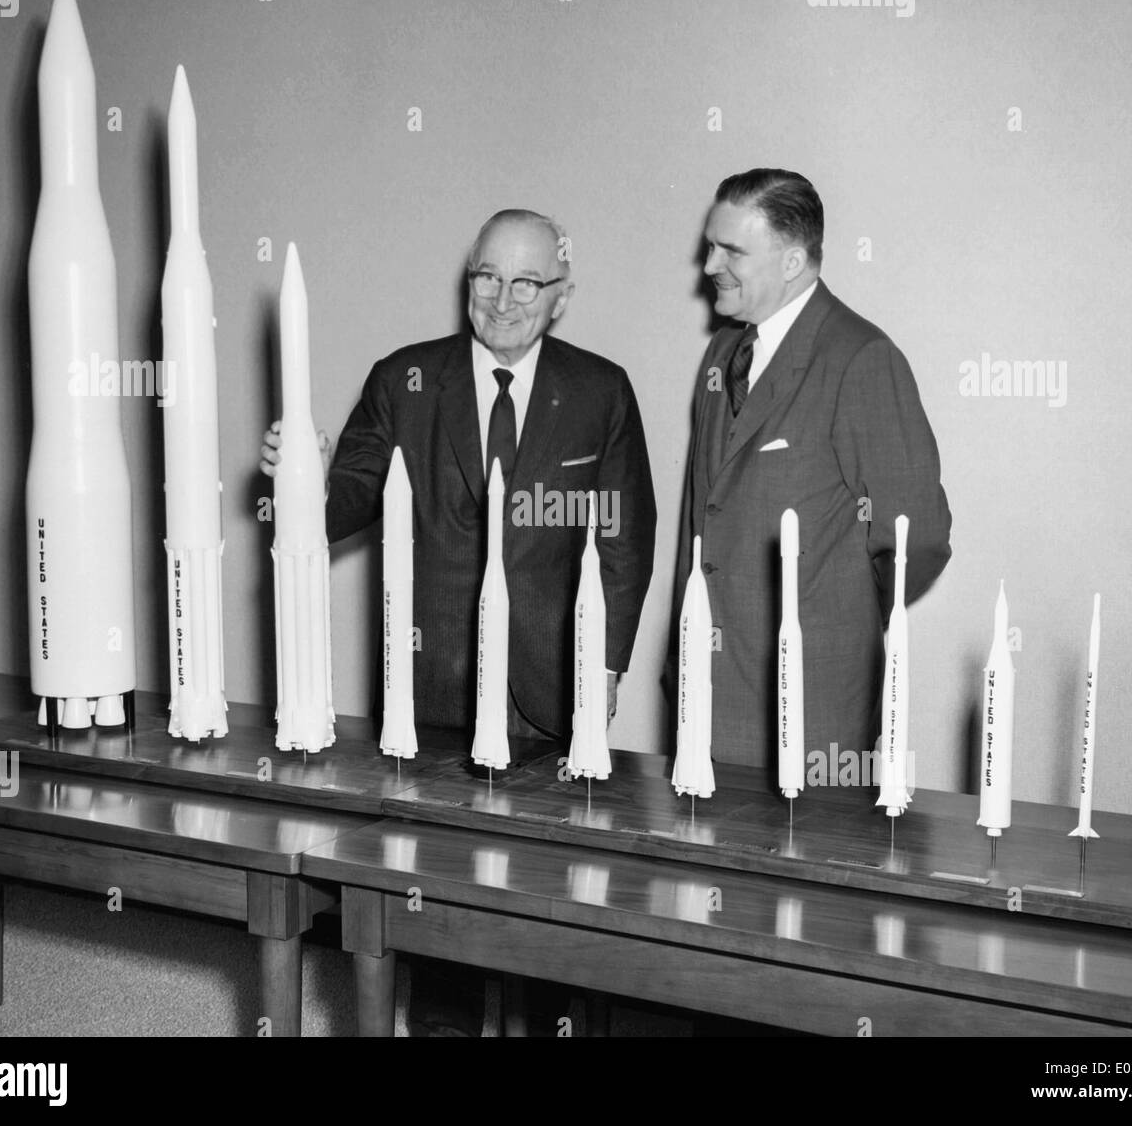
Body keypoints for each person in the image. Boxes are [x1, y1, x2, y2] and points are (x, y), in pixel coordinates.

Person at [261, 208, 657, 738]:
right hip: (425, 695)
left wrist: (603, 668)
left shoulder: (601, 391)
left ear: (562, 297)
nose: (502, 301)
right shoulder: (404, 381)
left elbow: (623, 542)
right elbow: (340, 508)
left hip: (554, 697)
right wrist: (305, 479)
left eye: (526, 284)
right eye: (488, 277)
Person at [671, 169, 951, 770]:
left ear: (793, 260)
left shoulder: (863, 359)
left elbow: (916, 537)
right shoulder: (724, 352)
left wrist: (839, 612)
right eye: (710, 246)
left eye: (731, 251)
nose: (710, 265)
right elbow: (705, 519)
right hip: (707, 694)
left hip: (814, 708)